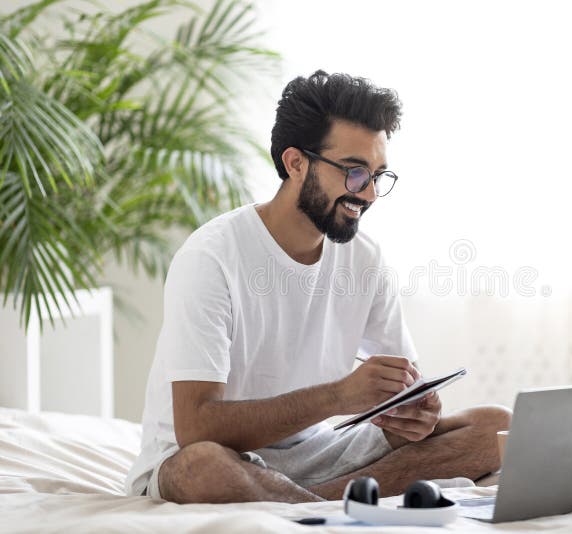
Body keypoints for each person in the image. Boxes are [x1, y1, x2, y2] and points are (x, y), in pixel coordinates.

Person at [124, 70, 511, 504]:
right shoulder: (211, 257)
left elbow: (406, 394)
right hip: (216, 455)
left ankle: (313, 502)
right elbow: (196, 427)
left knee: (496, 427)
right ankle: (327, 502)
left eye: (377, 175)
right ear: (295, 163)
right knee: (202, 469)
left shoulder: (365, 259)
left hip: (317, 453)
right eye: (353, 172)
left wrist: (417, 413)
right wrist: (339, 396)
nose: (368, 194)